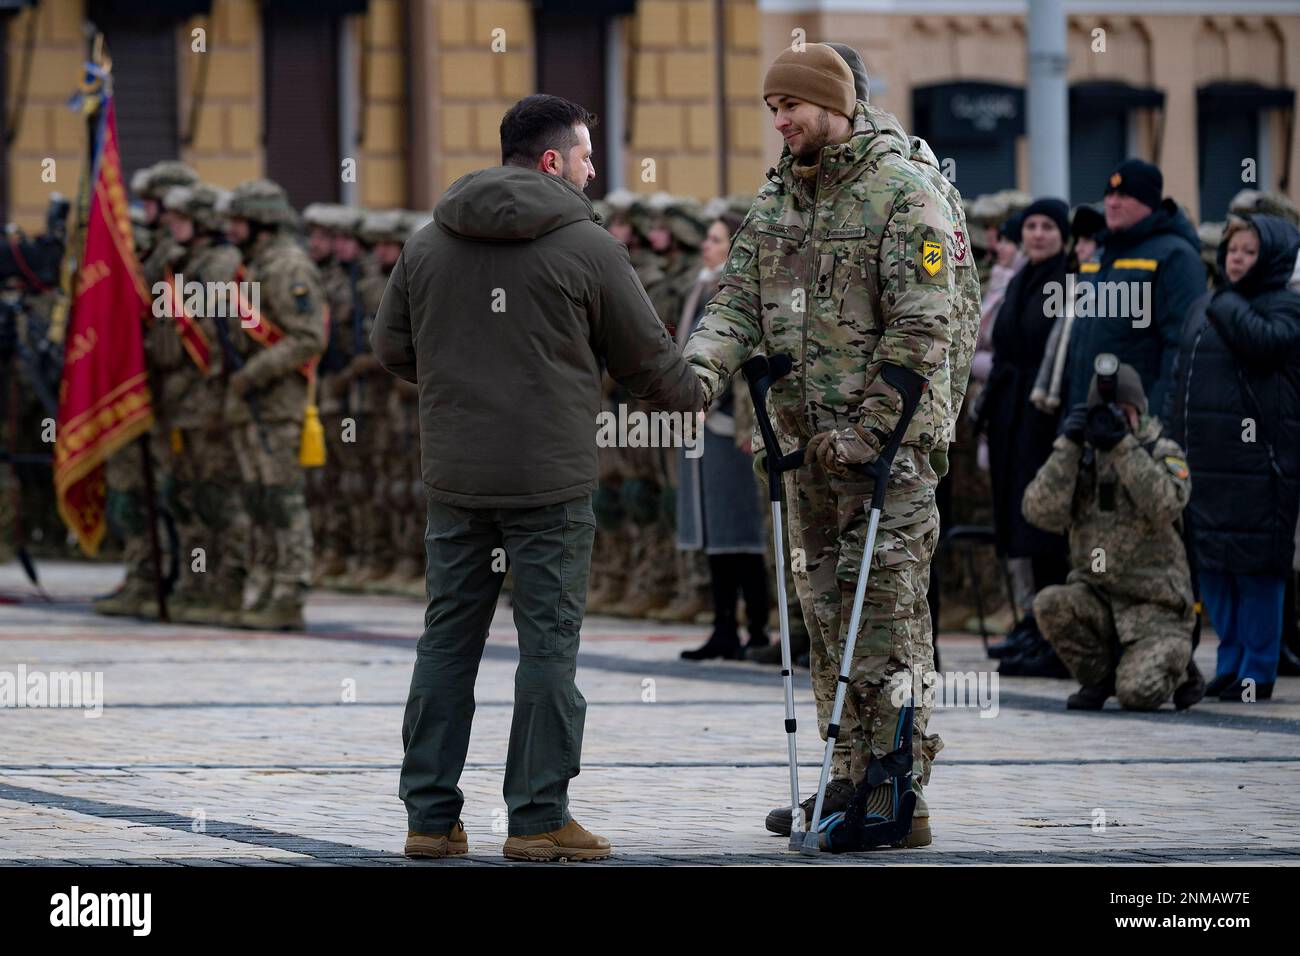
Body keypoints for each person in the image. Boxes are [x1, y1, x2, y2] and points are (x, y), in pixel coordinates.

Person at [372, 94, 703, 862]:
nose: (594, 171)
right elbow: (648, 362)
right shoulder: (588, 245)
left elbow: (392, 350)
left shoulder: (428, 242)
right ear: (553, 161)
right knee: (547, 647)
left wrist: (466, 385)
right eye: (587, 156)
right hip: (550, 484)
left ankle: (428, 817)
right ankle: (538, 817)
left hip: (456, 479)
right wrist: (701, 392)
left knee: (446, 643)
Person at [685, 44, 962, 849]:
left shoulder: (903, 196)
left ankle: (897, 790)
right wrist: (697, 373)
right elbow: (736, 300)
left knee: (888, 619)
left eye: (792, 107)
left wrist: (868, 433)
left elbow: (923, 326)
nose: (780, 122)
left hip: (888, 456)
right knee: (825, 615)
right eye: (772, 109)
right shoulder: (778, 202)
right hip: (806, 454)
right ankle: (844, 778)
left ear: (834, 103)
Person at [1165, 214, 1300, 702]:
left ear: (1273, 257)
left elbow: (1263, 345)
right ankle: (1230, 661)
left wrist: (1223, 299)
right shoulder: (1208, 305)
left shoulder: (1285, 307)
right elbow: (1181, 378)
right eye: (1233, 249)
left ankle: (1257, 668)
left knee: (1256, 569)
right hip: (1206, 463)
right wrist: (1169, 439)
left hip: (1260, 466)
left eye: (1249, 250)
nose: (1237, 258)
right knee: (1216, 567)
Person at [1022, 356, 1197, 711]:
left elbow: (1165, 505)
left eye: (1123, 411)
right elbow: (1038, 511)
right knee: (1051, 603)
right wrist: (1067, 446)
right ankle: (1099, 679)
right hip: (1097, 598)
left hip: (1154, 607)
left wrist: (1123, 447)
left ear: (1139, 411)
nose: (1113, 419)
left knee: (1138, 694)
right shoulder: (1081, 457)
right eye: (1105, 412)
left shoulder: (1161, 451)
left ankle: (1181, 666)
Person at [220, 179, 327, 631]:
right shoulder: (253, 266)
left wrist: (254, 373)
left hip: (278, 405)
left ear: (261, 222)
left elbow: (308, 338)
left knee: (283, 500)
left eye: (239, 220)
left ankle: (290, 589)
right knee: (259, 499)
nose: (231, 229)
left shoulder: (288, 267)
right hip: (251, 404)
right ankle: (264, 582)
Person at [979, 198, 1072, 677]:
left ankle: (1057, 638)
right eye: (1031, 226)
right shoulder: (1022, 281)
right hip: (1012, 415)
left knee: (1045, 527)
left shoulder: (1065, 281)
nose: (1037, 234)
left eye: (1047, 227)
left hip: (1041, 417)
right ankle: (1033, 626)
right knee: (1018, 520)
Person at [676, 211, 770, 661]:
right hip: (703, 427)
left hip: (731, 428)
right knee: (717, 532)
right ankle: (723, 626)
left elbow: (746, 359)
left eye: (714, 239)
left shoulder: (738, 288)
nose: (706, 246)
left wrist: (744, 422)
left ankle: (754, 626)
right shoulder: (702, 285)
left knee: (740, 532)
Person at [152, 183, 244, 626]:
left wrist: (217, 401)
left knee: (217, 497)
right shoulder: (179, 264)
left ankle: (228, 583)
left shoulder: (222, 265)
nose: (172, 225)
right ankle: (197, 580)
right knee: (185, 497)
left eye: (181, 218)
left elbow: (224, 340)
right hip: (179, 401)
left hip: (207, 401)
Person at [1061, 159, 1204, 415]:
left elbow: (1182, 349)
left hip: (1136, 423)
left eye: (1124, 195)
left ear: (1149, 202)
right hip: (1089, 418)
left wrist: (1156, 422)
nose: (1112, 202)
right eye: (1109, 194)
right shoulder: (1104, 253)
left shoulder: (1175, 256)